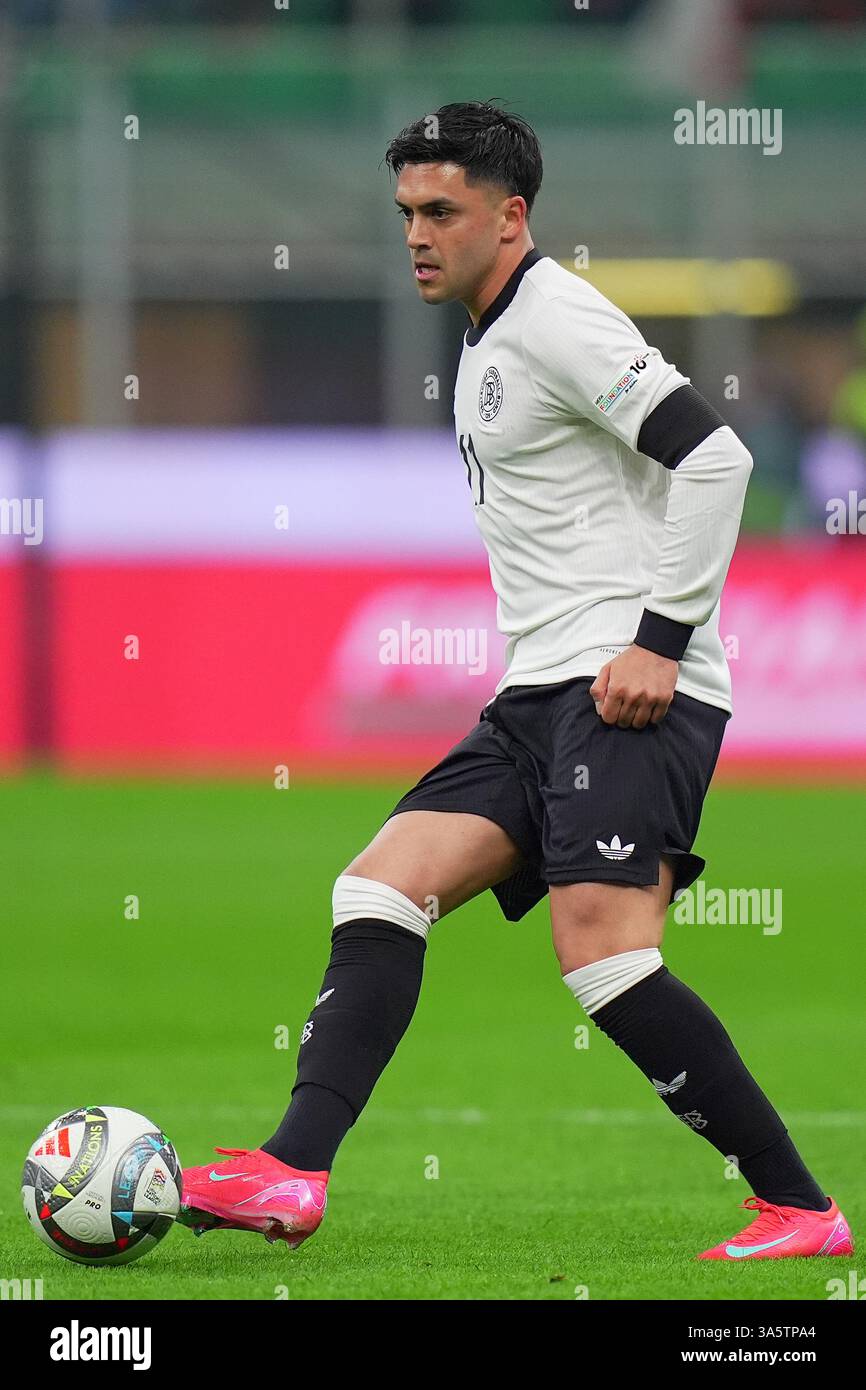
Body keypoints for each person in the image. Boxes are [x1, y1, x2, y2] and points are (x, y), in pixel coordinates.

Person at [179, 102, 853, 1263]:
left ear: (511, 214)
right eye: (405, 213)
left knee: (603, 959)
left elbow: (715, 456)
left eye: (440, 211)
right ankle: (289, 1170)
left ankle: (798, 1207)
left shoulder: (555, 320)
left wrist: (657, 637)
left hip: (626, 686)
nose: (417, 235)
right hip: (536, 693)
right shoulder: (490, 337)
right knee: (378, 890)